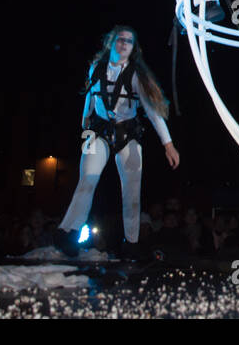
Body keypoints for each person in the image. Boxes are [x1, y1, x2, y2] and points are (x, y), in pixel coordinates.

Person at [54, 25, 180, 259]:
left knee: (131, 192)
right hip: (97, 132)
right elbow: (90, 100)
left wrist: (168, 144)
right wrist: (84, 126)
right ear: (111, 43)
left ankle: (131, 242)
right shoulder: (96, 68)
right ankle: (67, 232)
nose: (123, 43)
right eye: (120, 39)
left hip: (128, 134)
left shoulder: (135, 75)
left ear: (133, 48)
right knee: (86, 182)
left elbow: (153, 111)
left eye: (129, 41)